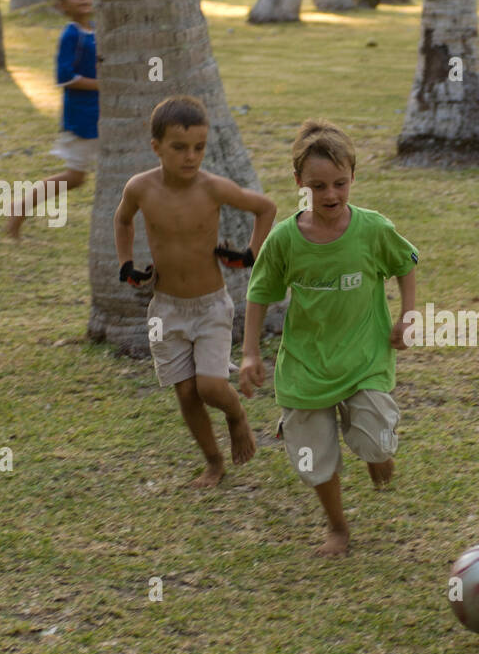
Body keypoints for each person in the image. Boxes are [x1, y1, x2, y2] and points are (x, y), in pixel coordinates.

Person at [239, 120, 418, 558]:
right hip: (306, 365)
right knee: (314, 461)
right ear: (299, 183)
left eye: (340, 183)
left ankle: (378, 452)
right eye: (318, 186)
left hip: (364, 359)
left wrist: (408, 313)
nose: (331, 195)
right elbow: (260, 293)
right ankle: (337, 528)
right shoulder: (284, 239)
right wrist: (248, 353)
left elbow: (406, 263)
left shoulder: (373, 229)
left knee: (375, 439)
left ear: (354, 176)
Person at [114, 95, 277, 488]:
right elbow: (122, 221)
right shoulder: (140, 188)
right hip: (165, 308)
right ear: (156, 147)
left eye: (199, 148)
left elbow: (266, 207)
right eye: (179, 147)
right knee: (186, 393)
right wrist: (126, 266)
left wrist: (249, 254)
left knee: (210, 387)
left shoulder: (213, 188)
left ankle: (236, 416)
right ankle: (213, 462)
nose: (191, 157)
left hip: (210, 307)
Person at [7, 0, 97, 238]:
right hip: (83, 118)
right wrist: (102, 84)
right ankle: (20, 209)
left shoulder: (95, 29)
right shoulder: (72, 35)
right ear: (62, 5)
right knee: (75, 177)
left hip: (104, 115)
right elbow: (65, 77)